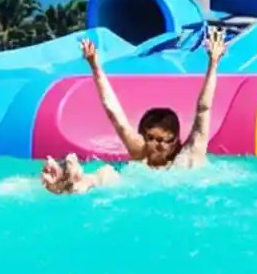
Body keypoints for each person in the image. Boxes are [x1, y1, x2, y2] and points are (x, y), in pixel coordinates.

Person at [40, 26, 228, 194]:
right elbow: (114, 113)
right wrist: (95, 65)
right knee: (107, 172)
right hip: (138, 195)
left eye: (164, 140)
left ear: (176, 140)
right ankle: (71, 184)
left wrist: (213, 63)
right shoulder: (141, 154)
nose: (157, 146)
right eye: (152, 138)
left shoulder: (189, 156)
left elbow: (204, 109)